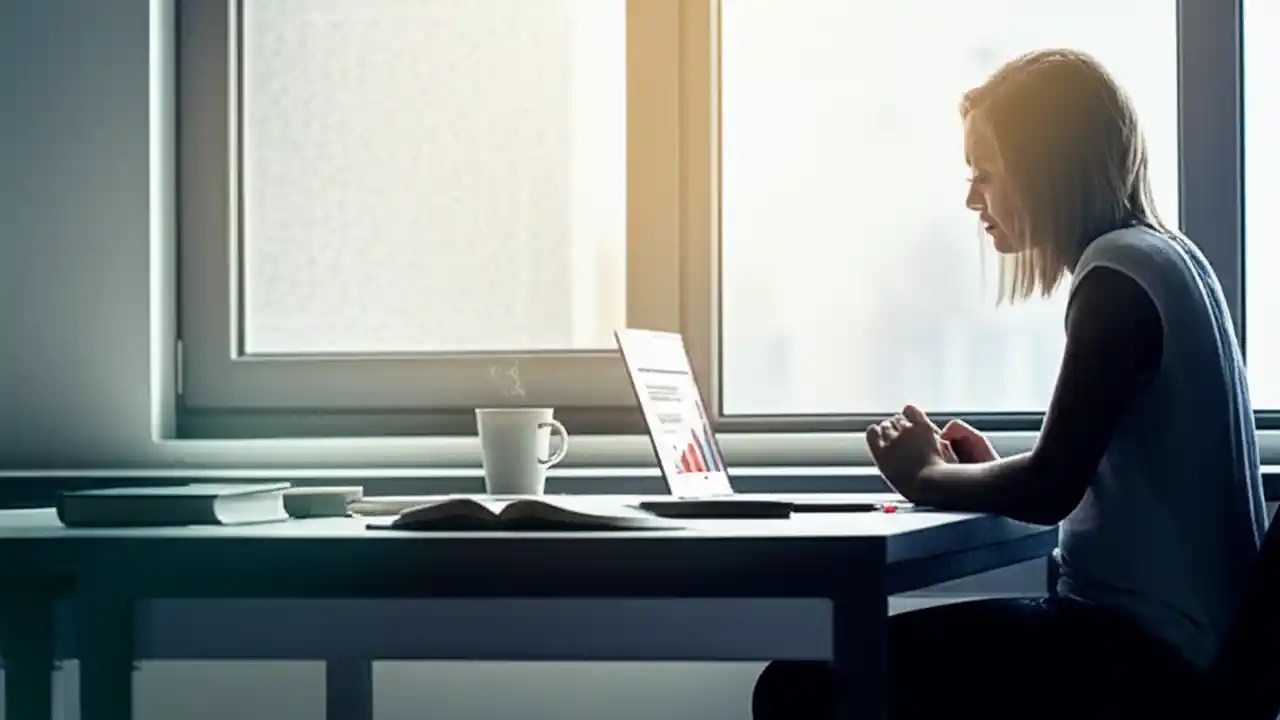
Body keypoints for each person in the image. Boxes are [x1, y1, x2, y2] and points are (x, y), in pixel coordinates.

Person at [752, 48, 1268, 720]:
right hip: (1179, 651)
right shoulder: (1167, 257)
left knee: (799, 689)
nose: (972, 200)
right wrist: (987, 473)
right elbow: (1087, 480)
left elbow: (1050, 487)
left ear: (1041, 173)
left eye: (984, 175)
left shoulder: (1115, 278)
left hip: (1138, 656)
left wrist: (927, 474)